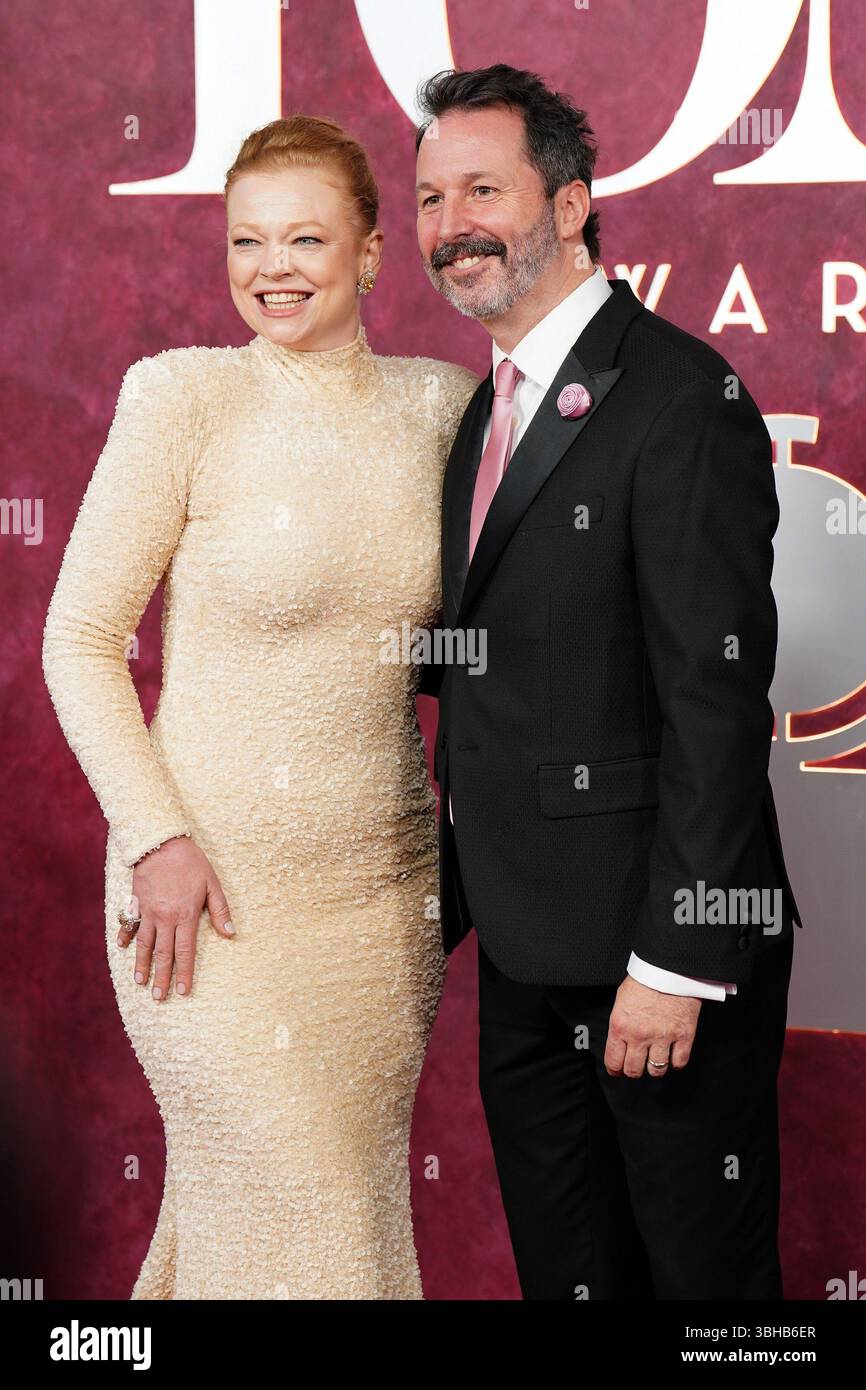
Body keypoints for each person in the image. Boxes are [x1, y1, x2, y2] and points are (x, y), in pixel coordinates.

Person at [41, 114, 479, 1300]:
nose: (271, 268)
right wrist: (157, 837)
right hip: (203, 902)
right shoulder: (181, 398)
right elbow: (78, 641)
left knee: (319, 1217)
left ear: (375, 252)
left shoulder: (445, 408)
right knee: (303, 1211)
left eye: (304, 239)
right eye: (245, 242)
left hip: (380, 909)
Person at [415, 64, 803, 1300]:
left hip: (656, 957)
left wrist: (676, 962)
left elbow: (713, 697)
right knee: (568, 1278)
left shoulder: (682, 400)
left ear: (572, 206)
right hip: (523, 949)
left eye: (482, 187)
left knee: (703, 1291)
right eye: (426, 198)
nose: (448, 223)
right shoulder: (484, 412)